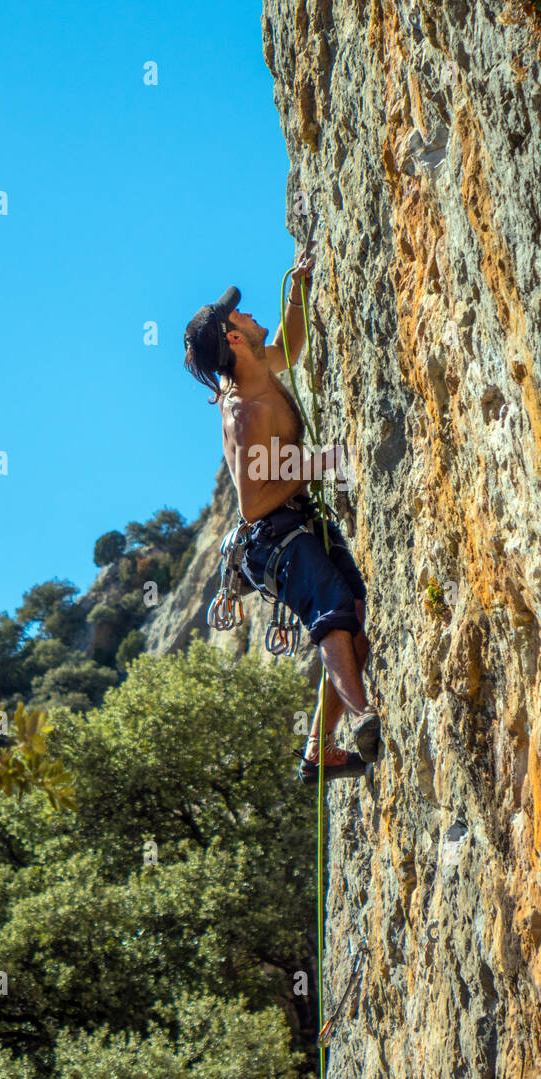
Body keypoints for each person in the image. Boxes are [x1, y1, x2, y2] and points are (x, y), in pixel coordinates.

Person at [183, 242, 380, 783]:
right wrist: (317, 464)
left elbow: (291, 347)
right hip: (272, 534)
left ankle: (319, 750)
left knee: (357, 621)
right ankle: (362, 717)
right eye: (239, 314)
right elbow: (252, 503)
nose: (249, 313)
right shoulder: (243, 413)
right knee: (334, 611)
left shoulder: (258, 368)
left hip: (294, 520)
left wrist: (300, 289)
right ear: (232, 337)